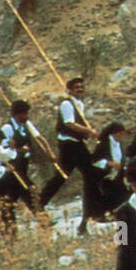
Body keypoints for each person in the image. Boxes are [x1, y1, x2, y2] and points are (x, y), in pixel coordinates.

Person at [40, 79, 98, 230]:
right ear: (69, 90)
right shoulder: (67, 104)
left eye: (81, 86)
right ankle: (90, 213)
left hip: (75, 143)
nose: (79, 89)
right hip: (70, 144)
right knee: (90, 174)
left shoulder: (80, 104)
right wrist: (89, 131)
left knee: (62, 176)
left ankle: (39, 203)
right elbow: (69, 124)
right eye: (76, 87)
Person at [1, 100, 41, 211]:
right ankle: (43, 218)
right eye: (24, 114)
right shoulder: (7, 128)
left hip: (23, 167)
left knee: (14, 198)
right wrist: (20, 150)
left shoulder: (23, 127)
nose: (26, 116)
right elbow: (3, 150)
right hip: (14, 169)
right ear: (18, 114)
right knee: (29, 192)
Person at [89, 122, 129, 219]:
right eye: (121, 133)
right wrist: (109, 163)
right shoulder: (103, 144)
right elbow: (94, 160)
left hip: (118, 178)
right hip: (105, 179)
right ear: (115, 133)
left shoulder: (119, 144)